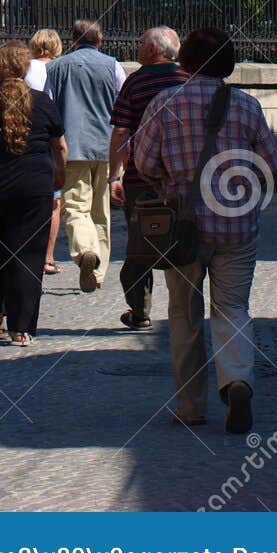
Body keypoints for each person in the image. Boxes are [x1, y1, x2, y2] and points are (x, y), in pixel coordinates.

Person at [134, 26, 277, 436]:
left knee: (184, 315)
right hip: (237, 226)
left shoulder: (166, 102)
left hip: (183, 227)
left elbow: (143, 161)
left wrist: (168, 183)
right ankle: (236, 381)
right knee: (232, 308)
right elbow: (272, 163)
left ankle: (190, 405)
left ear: (187, 62)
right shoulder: (248, 106)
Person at [0, 41, 66, 345]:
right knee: (28, 254)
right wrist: (60, 175)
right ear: (26, 66)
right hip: (33, 187)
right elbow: (59, 145)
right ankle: (22, 328)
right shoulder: (43, 102)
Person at [108, 26, 185, 329]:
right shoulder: (188, 78)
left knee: (142, 243)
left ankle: (140, 310)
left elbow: (120, 131)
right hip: (183, 181)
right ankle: (185, 310)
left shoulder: (136, 82)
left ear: (153, 49)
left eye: (140, 43)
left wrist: (115, 175)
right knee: (184, 240)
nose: (136, 47)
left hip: (141, 180)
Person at [44, 18, 118, 292]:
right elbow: (122, 107)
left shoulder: (55, 68)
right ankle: (97, 273)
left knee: (75, 207)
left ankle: (84, 250)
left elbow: (46, 109)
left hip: (71, 146)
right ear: (99, 40)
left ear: (72, 40)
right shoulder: (113, 66)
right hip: (105, 146)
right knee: (101, 212)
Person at [27, 29, 63, 273]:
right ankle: (48, 258)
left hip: (29, 136)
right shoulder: (61, 68)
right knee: (54, 200)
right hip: (54, 133)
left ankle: (28, 253)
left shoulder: (26, 68)